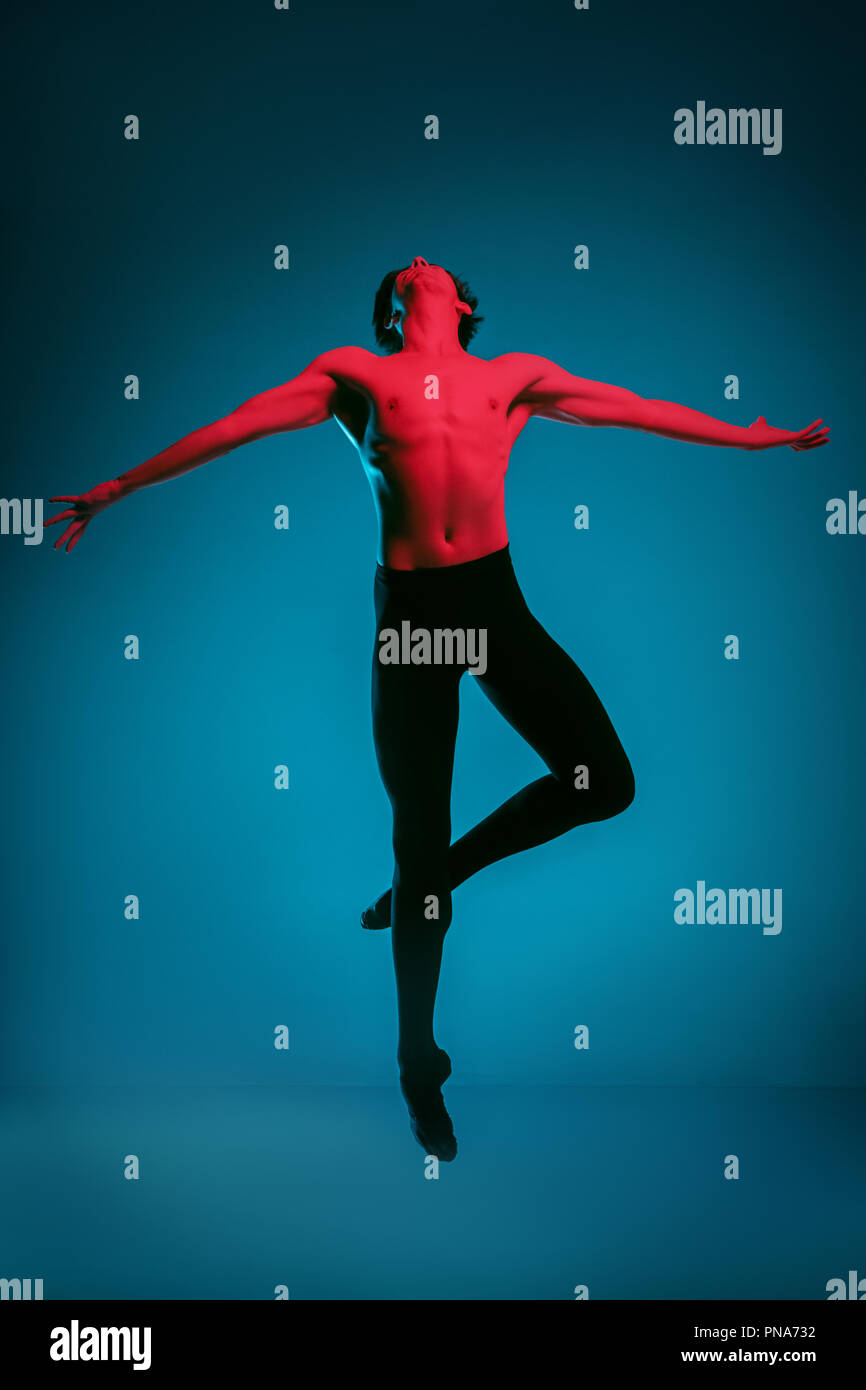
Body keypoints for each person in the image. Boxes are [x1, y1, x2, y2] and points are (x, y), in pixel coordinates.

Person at [47, 256, 829, 1161]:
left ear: (460, 301)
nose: (420, 263)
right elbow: (235, 427)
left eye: (436, 267)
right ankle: (419, 1061)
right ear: (394, 306)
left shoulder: (512, 377)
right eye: (403, 271)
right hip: (412, 621)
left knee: (604, 783)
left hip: (493, 608)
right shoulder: (356, 376)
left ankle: (439, 876)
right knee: (413, 835)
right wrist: (119, 488)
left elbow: (637, 409)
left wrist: (748, 438)